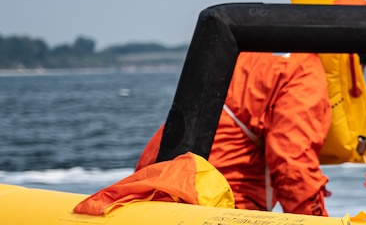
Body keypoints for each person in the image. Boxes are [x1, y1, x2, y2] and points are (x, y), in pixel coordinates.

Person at [137, 50, 333, 215]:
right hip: (216, 203)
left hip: (153, 183)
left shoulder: (249, 54)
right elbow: (293, 165)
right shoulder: (304, 71)